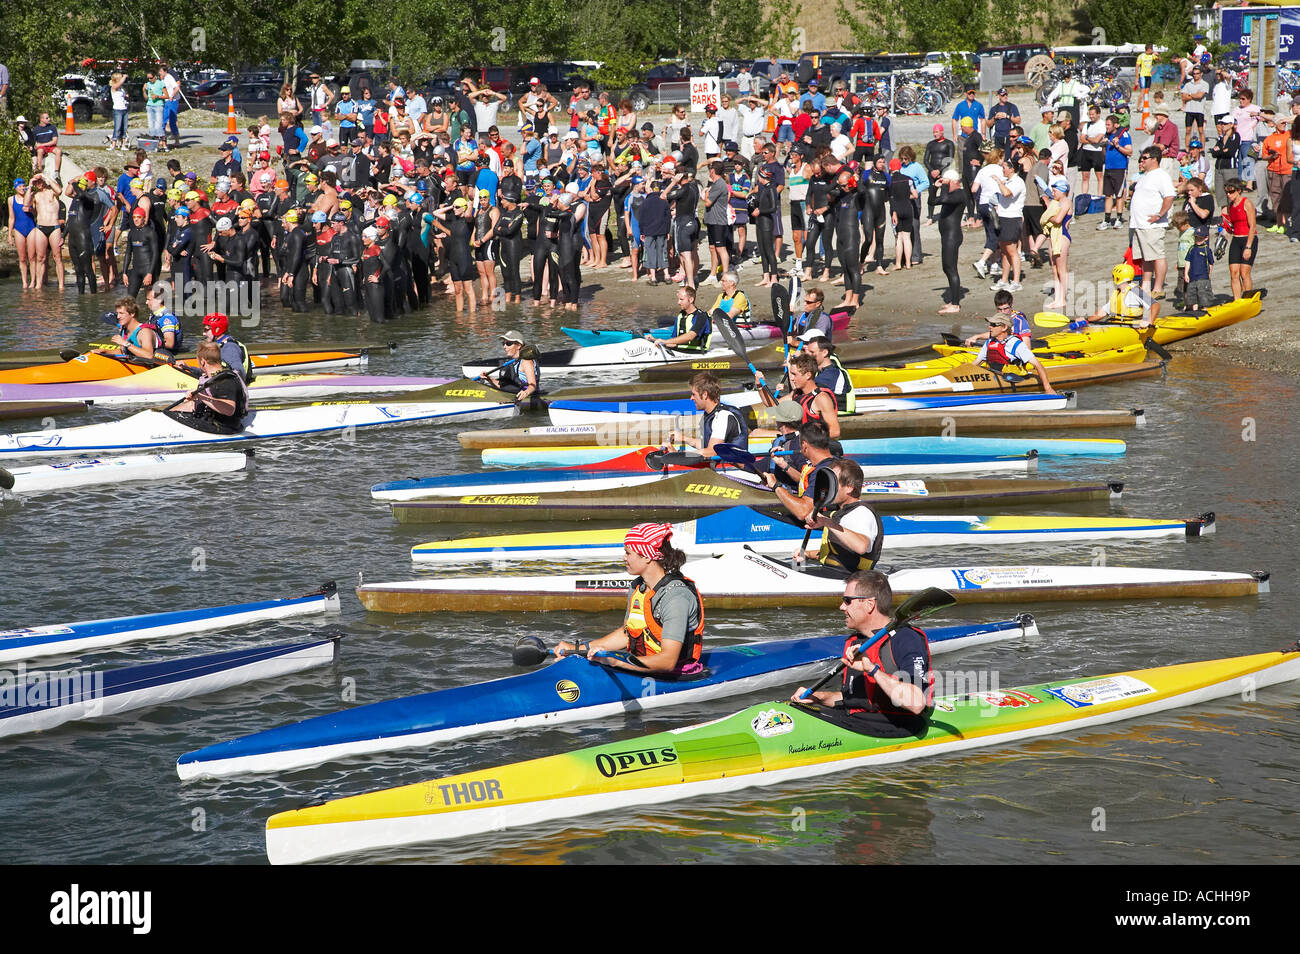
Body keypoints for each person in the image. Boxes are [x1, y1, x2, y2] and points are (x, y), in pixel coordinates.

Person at [790, 569, 932, 738]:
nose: (841, 607)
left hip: (894, 727)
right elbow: (854, 700)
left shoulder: (906, 639)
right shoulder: (855, 641)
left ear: (869, 605)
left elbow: (916, 703)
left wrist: (872, 669)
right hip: (856, 721)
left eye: (847, 601)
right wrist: (818, 698)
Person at [553, 523, 705, 677]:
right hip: (638, 666)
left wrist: (617, 661)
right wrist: (578, 650)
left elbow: (667, 661)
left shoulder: (676, 597)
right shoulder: (638, 587)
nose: (624, 558)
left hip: (674, 674)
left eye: (628, 553)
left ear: (646, 556)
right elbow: (627, 634)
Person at [163, 341, 249, 436]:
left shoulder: (225, 380)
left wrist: (201, 397)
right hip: (210, 422)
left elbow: (229, 409)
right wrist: (167, 414)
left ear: (203, 362)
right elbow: (194, 405)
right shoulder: (209, 379)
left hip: (225, 428)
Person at [1129, 146, 1176, 300]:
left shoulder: (1161, 175)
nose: (1142, 160)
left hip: (1152, 225)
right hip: (1140, 223)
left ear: (1154, 159)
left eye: (1145, 158)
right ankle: (1146, 285)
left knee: (1157, 255)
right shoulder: (1145, 176)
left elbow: (1169, 196)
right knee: (1145, 256)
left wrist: (1160, 214)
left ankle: (1158, 287)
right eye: (1141, 158)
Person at [666, 371, 748, 455]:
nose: (691, 398)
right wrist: (683, 438)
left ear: (704, 394)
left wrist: (676, 455)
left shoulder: (722, 416)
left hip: (732, 465)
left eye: (694, 394)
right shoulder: (708, 415)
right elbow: (705, 444)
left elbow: (711, 451)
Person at [973, 313, 1056, 394]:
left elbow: (1037, 365)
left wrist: (1048, 388)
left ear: (1004, 327)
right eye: (990, 324)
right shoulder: (989, 343)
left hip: (1015, 379)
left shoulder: (1016, 344)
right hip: (995, 376)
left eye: (994, 325)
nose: (990, 327)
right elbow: (975, 364)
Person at [479, 330, 541, 409]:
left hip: (529, 394)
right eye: (503, 344)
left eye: (508, 344)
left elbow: (532, 385)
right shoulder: (513, 361)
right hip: (515, 391)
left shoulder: (526, 361)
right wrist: (489, 379)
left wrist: (525, 393)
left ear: (518, 345)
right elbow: (505, 386)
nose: (505, 346)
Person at [1087, 262, 1158, 327]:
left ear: (1117, 278)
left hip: (1133, 327)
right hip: (1116, 326)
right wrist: (1086, 320)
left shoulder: (1136, 291)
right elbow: (1101, 313)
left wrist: (1149, 321)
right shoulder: (1117, 293)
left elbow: (1155, 305)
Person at [1220, 177, 1257, 300]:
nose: (1229, 195)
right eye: (1227, 192)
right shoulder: (1231, 206)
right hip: (1236, 240)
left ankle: (1247, 299)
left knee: (1244, 273)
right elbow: (1231, 227)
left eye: (1231, 192)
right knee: (1234, 273)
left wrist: (1248, 247)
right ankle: (1237, 300)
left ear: (1239, 191)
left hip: (1248, 239)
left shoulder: (1247, 203)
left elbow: (1252, 226)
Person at [936, 169, 966, 314]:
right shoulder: (950, 194)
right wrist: (933, 188)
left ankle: (956, 304)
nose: (945, 185)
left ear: (954, 181)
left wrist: (943, 187)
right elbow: (932, 201)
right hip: (947, 236)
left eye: (947, 182)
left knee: (951, 268)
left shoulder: (959, 194)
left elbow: (942, 200)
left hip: (953, 236)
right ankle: (953, 300)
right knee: (946, 267)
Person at [1098, 115, 1132, 231]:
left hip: (1120, 168)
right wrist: (1103, 146)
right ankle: (1107, 219)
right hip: (1108, 168)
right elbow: (1104, 155)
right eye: (1105, 125)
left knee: (1119, 195)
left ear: (1115, 125)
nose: (1106, 127)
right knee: (1108, 195)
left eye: (1108, 125)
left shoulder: (1124, 135)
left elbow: (1129, 151)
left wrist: (1117, 146)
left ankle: (1119, 218)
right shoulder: (1107, 136)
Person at [201, 312, 252, 382]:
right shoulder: (219, 346)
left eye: (206, 330)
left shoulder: (229, 348)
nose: (203, 333)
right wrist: (188, 368)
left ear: (217, 329)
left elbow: (240, 373)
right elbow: (210, 371)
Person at [108, 297, 161, 361]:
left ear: (132, 313)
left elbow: (149, 355)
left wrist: (126, 343)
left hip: (154, 366)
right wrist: (104, 351)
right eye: (117, 313)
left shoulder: (144, 332)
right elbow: (123, 352)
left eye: (121, 313)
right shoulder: (124, 330)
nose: (118, 317)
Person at [1183, 224, 1215, 312]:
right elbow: (1188, 261)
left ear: (1206, 238)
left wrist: (1209, 274)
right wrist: (1186, 274)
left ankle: (1205, 309)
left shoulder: (1206, 249)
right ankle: (1195, 310)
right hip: (1192, 277)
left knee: (1203, 293)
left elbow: (1211, 263)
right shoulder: (1192, 249)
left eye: (1200, 238)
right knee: (1192, 294)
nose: (1198, 240)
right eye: (1196, 238)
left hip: (1203, 276)